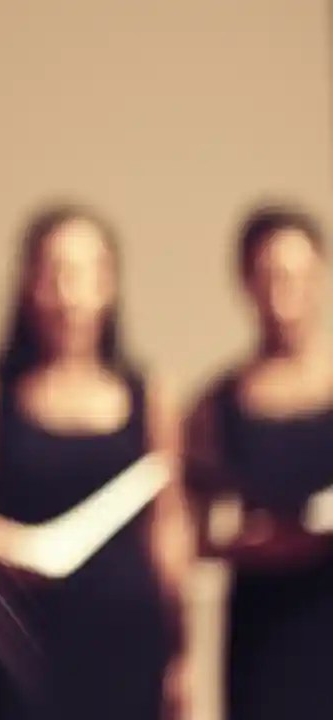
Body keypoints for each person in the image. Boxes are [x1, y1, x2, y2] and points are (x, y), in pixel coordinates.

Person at [0, 205, 190, 720]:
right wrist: (14, 546)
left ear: (110, 286)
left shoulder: (150, 395)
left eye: (87, 274)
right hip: (20, 639)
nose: (70, 295)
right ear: (29, 285)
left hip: (128, 636)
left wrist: (183, 654)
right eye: (55, 274)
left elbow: (168, 527)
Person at [184, 205, 333, 720]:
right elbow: (200, 529)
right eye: (269, 275)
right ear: (246, 283)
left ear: (320, 276)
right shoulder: (217, 403)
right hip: (263, 624)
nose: (284, 292)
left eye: (296, 275)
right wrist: (258, 542)